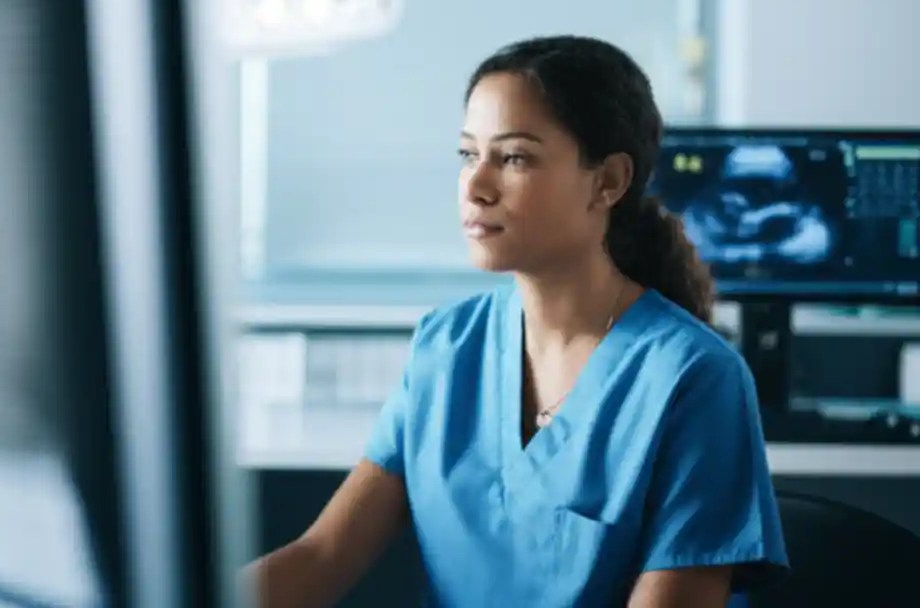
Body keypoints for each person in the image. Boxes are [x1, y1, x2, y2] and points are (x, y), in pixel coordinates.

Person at [246, 36, 788, 607]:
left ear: (607, 181)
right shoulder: (447, 347)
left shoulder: (693, 378)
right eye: (467, 155)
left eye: (514, 158)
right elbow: (322, 555)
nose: (476, 187)